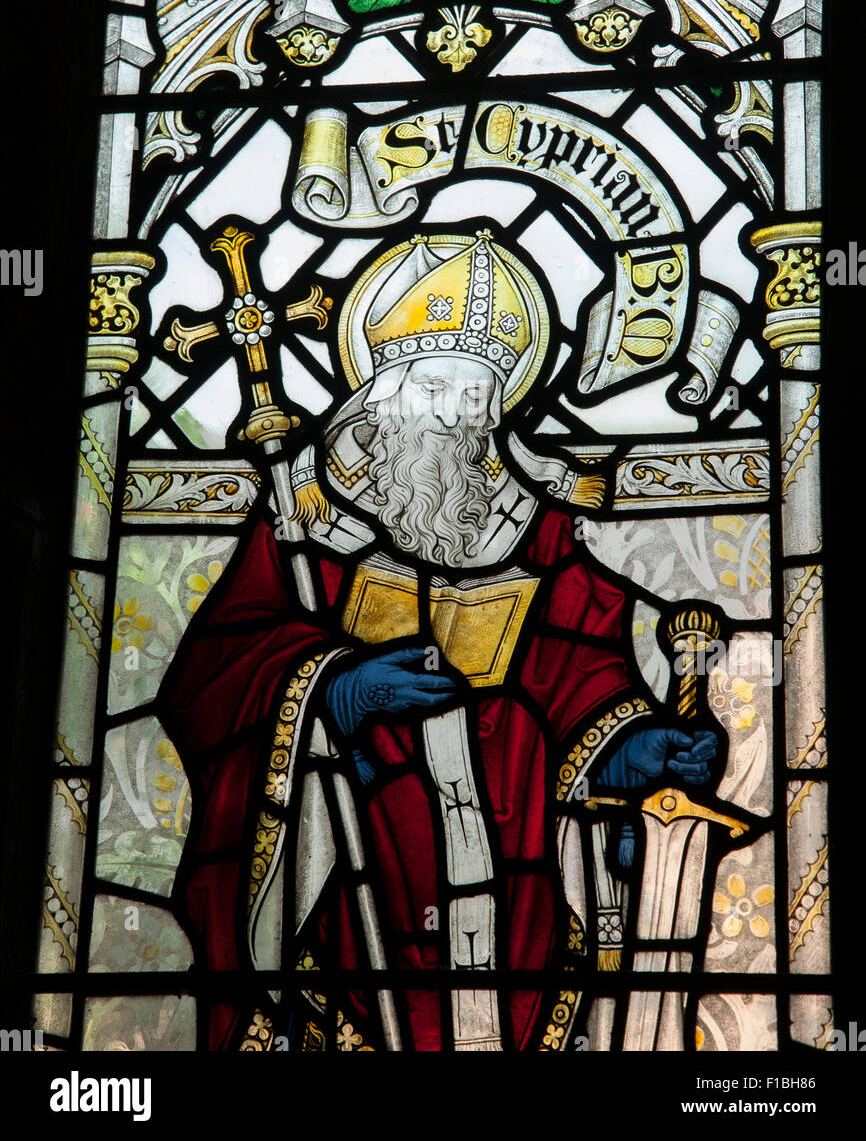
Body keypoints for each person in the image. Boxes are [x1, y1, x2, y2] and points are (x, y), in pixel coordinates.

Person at [160, 231, 717, 1052]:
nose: (457, 414)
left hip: (514, 848)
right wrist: (329, 688)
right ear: (385, 393)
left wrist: (627, 741)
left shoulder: (538, 528)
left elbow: (576, 659)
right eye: (434, 387)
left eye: (477, 393)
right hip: (356, 861)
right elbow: (214, 671)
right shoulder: (308, 523)